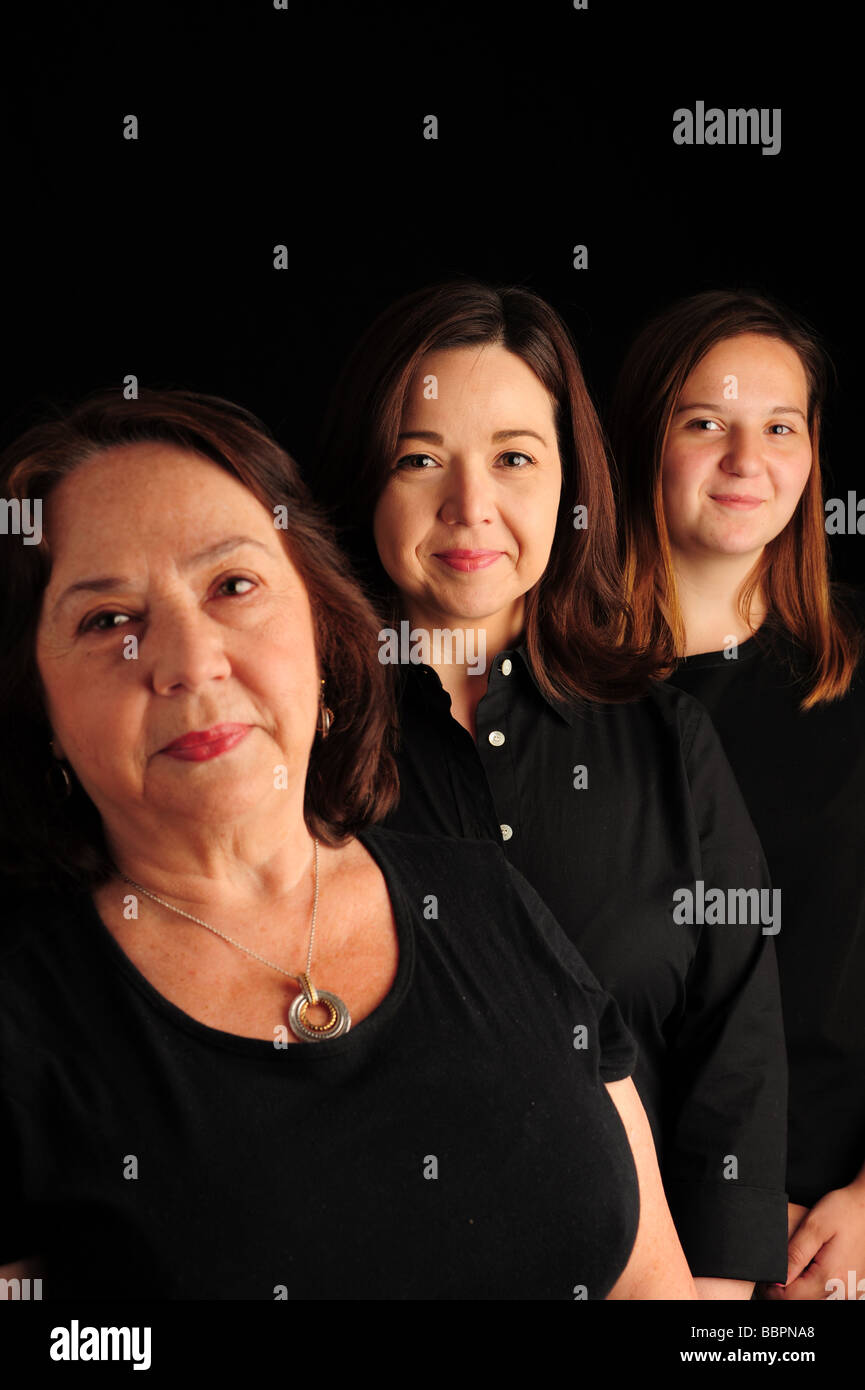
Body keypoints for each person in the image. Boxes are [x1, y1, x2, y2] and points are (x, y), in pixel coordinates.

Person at [0, 387, 694, 1301]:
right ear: (39, 706)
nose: (191, 662)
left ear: (324, 632)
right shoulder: (23, 1017)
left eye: (233, 586)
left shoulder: (481, 892)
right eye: (107, 621)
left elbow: (653, 1287)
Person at [314, 280, 789, 1298]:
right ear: (365, 477)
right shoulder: (299, 744)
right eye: (419, 458)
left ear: (571, 480)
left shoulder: (667, 737)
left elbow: (735, 1054)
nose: (470, 507)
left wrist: (708, 1308)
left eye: (514, 458)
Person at [610, 289, 865, 1302]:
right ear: (644, 440)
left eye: (780, 428)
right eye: (705, 423)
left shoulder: (858, 664)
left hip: (832, 1232)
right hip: (622, 1231)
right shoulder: (559, 692)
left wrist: (864, 1202)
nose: (746, 461)